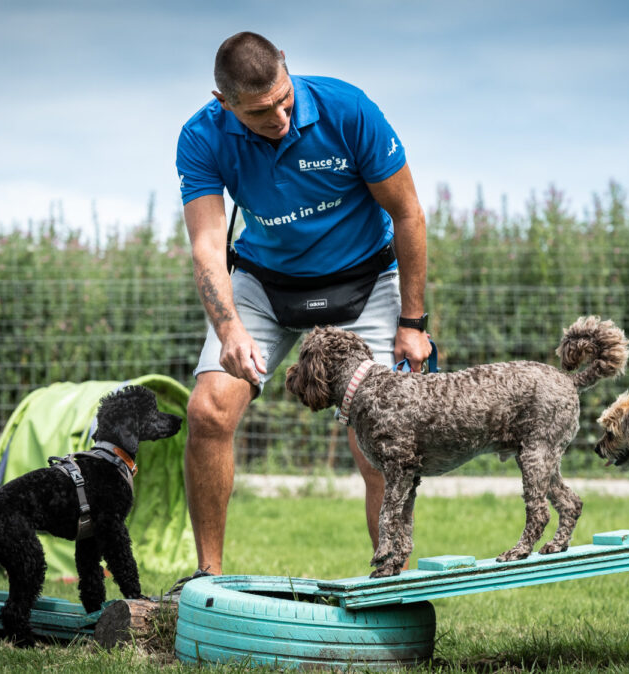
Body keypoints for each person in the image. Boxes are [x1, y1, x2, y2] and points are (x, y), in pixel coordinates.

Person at [171, 31, 431, 592]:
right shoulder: (201, 136)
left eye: (284, 100)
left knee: (380, 440)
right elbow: (208, 247)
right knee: (208, 410)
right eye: (259, 113)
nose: (280, 119)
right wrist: (230, 330)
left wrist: (413, 323)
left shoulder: (348, 110)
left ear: (287, 67)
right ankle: (207, 579)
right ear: (224, 103)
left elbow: (408, 213)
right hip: (265, 284)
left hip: (364, 281)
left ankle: (394, 589)